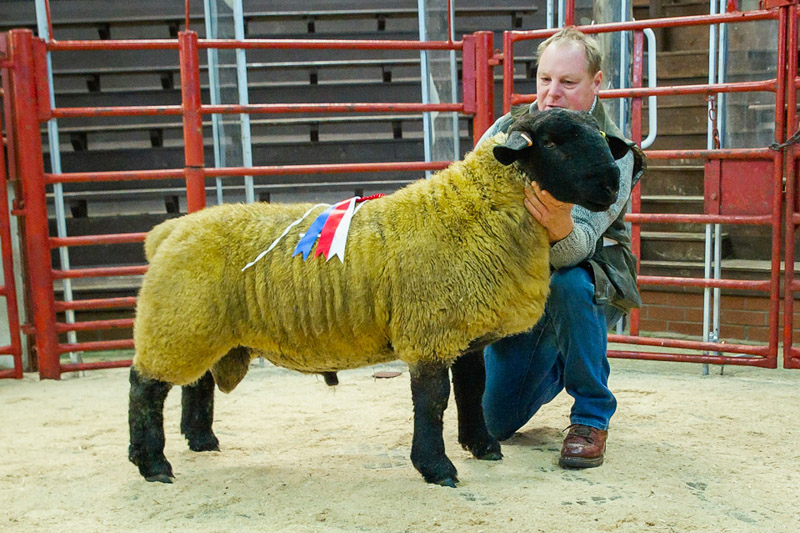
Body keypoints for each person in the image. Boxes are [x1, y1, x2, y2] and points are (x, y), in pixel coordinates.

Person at [477, 27, 646, 468]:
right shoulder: (503, 131)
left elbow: (576, 249)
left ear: (597, 83)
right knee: (495, 422)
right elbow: (468, 205)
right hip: (519, 282)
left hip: (585, 274)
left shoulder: (615, 151)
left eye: (568, 83)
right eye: (544, 79)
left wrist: (557, 224)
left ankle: (591, 416)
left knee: (570, 282)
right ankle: (562, 357)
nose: (552, 94)